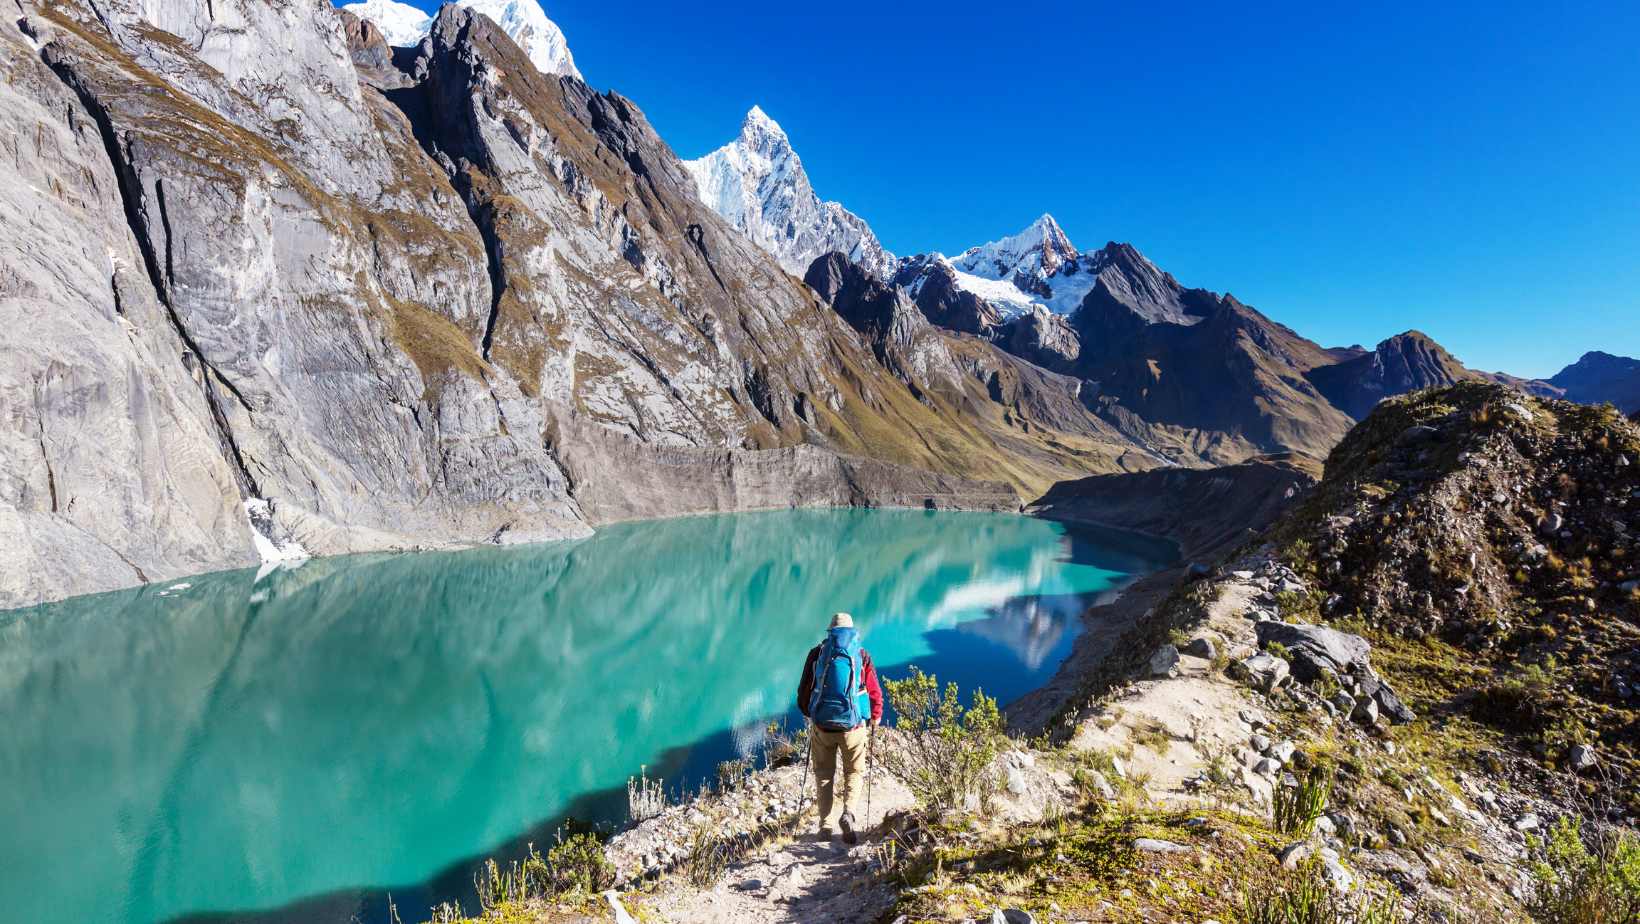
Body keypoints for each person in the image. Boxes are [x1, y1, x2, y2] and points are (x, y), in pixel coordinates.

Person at [796, 612, 882, 844]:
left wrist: (810, 714)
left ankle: (825, 826)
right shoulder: (861, 655)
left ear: (831, 632)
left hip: (822, 726)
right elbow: (874, 692)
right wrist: (875, 716)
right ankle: (848, 813)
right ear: (851, 632)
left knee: (824, 775)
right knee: (854, 772)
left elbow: (803, 691)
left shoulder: (817, 654)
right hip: (853, 727)